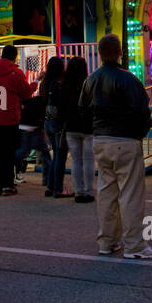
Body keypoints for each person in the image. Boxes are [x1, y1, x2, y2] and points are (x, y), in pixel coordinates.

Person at [79, 34, 152, 258]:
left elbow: (83, 111)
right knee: (130, 195)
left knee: (106, 193)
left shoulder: (91, 79)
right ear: (120, 52)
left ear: (100, 53)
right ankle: (134, 245)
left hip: (100, 139)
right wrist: (138, 134)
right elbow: (143, 111)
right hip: (125, 140)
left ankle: (107, 241)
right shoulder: (128, 79)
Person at [0, 44, 36, 196]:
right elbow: (26, 94)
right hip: (8, 119)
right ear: (15, 57)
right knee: (8, 153)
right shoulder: (16, 73)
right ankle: (7, 185)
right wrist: (35, 83)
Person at [57, 56, 95, 202]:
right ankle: (89, 191)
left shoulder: (65, 86)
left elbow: (61, 109)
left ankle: (78, 191)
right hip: (88, 127)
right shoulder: (89, 84)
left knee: (76, 161)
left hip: (71, 128)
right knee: (89, 160)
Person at [38, 56, 69, 197]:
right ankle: (58, 188)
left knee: (55, 154)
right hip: (58, 123)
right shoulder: (59, 84)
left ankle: (50, 186)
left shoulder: (44, 83)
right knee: (60, 155)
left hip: (47, 121)